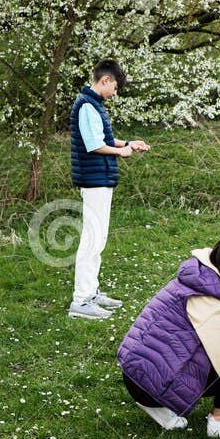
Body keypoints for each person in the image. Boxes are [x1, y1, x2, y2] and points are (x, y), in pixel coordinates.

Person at [117, 234, 220, 438]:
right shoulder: (215, 305)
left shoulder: (199, 277)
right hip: (149, 382)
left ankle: (157, 404)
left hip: (135, 373)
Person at [68, 59, 150, 320]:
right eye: (115, 86)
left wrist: (128, 142)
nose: (115, 92)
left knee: (98, 237)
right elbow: (94, 145)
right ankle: (81, 301)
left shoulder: (93, 105)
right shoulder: (86, 107)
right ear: (105, 81)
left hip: (100, 179)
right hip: (94, 181)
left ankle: (91, 292)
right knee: (92, 238)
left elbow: (102, 138)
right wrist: (121, 152)